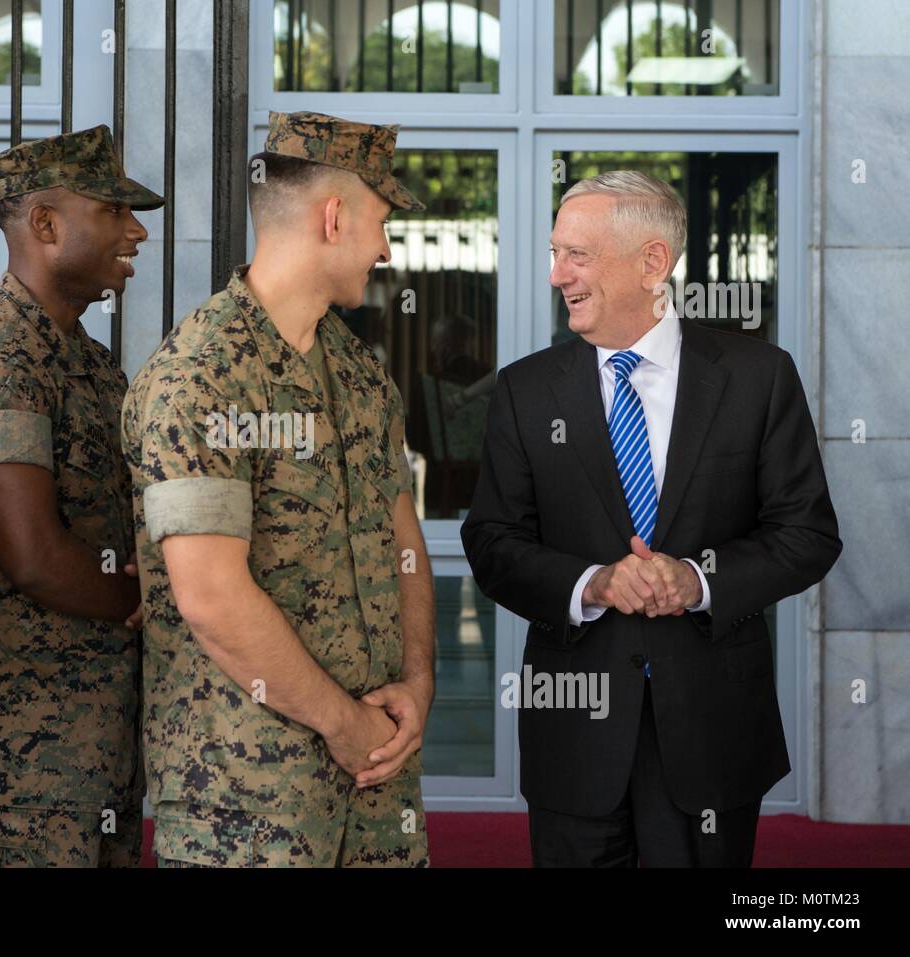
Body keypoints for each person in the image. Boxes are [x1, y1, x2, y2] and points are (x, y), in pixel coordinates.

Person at [461, 170, 842, 867]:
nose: (556, 274)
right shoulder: (525, 389)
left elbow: (807, 533)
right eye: (554, 253)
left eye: (576, 254)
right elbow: (491, 542)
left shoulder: (759, 376)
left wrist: (699, 580)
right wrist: (595, 583)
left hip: (713, 733)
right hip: (574, 738)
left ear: (653, 261)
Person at [122, 110, 436, 867]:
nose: (386, 247)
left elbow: (404, 540)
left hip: (376, 790)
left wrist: (417, 684)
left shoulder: (360, 373)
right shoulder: (200, 375)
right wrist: (344, 723)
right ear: (334, 216)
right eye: (381, 220)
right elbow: (212, 597)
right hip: (246, 806)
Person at [0, 125, 162, 867]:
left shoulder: (90, 365)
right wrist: (149, 596)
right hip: (15, 772)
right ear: (45, 225)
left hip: (92, 755)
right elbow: (36, 558)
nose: (137, 230)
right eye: (115, 211)